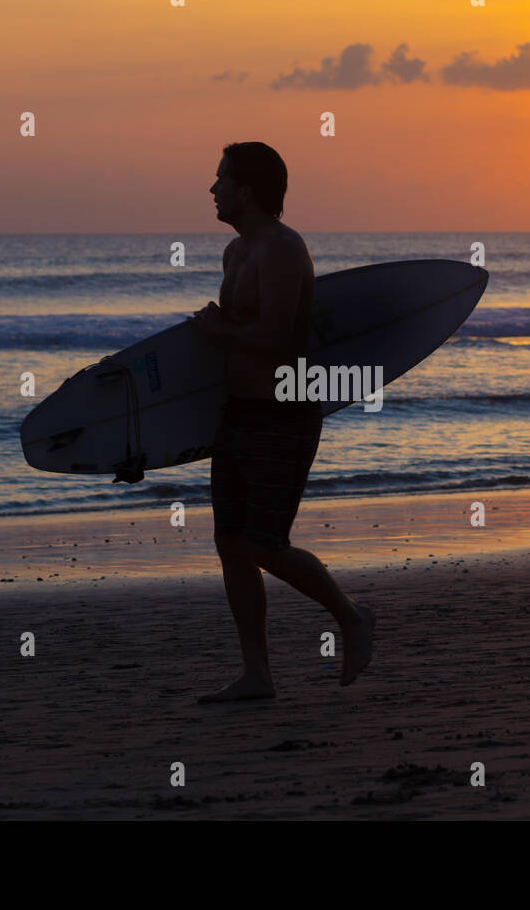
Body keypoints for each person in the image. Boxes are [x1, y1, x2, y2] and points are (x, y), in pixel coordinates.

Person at [188, 141, 374, 702]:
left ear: (245, 189)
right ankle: (257, 674)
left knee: (265, 545)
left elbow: (273, 338)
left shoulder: (283, 249)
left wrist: (218, 332)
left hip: (284, 412)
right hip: (237, 412)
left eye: (221, 179)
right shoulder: (235, 252)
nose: (213, 189)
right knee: (230, 543)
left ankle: (351, 615)